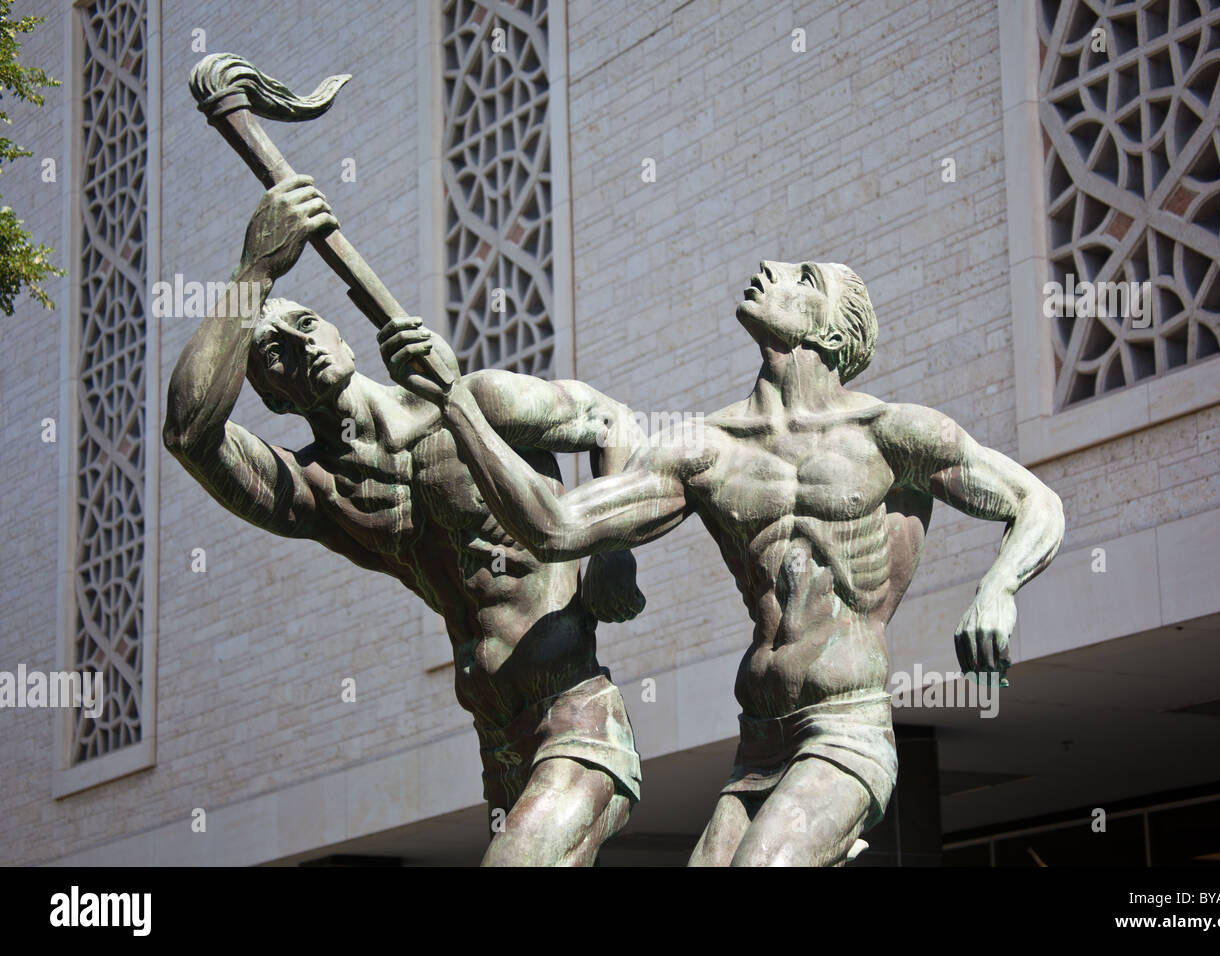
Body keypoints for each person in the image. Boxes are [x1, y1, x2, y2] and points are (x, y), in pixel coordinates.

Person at [387, 257, 1065, 866]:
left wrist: (998, 590)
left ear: (831, 334)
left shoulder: (891, 433)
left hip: (846, 727)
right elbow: (560, 527)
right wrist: (457, 404)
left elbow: (1035, 502)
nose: (771, 267)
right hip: (760, 742)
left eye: (804, 278)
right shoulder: (704, 448)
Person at [164, 175, 648, 865]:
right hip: (499, 743)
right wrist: (257, 271)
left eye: (305, 326)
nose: (301, 348)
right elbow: (188, 434)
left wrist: (611, 547)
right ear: (270, 396)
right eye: (275, 355)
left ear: (339, 331)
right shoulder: (320, 493)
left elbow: (610, 420)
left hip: (576, 715)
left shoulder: (475, 403)